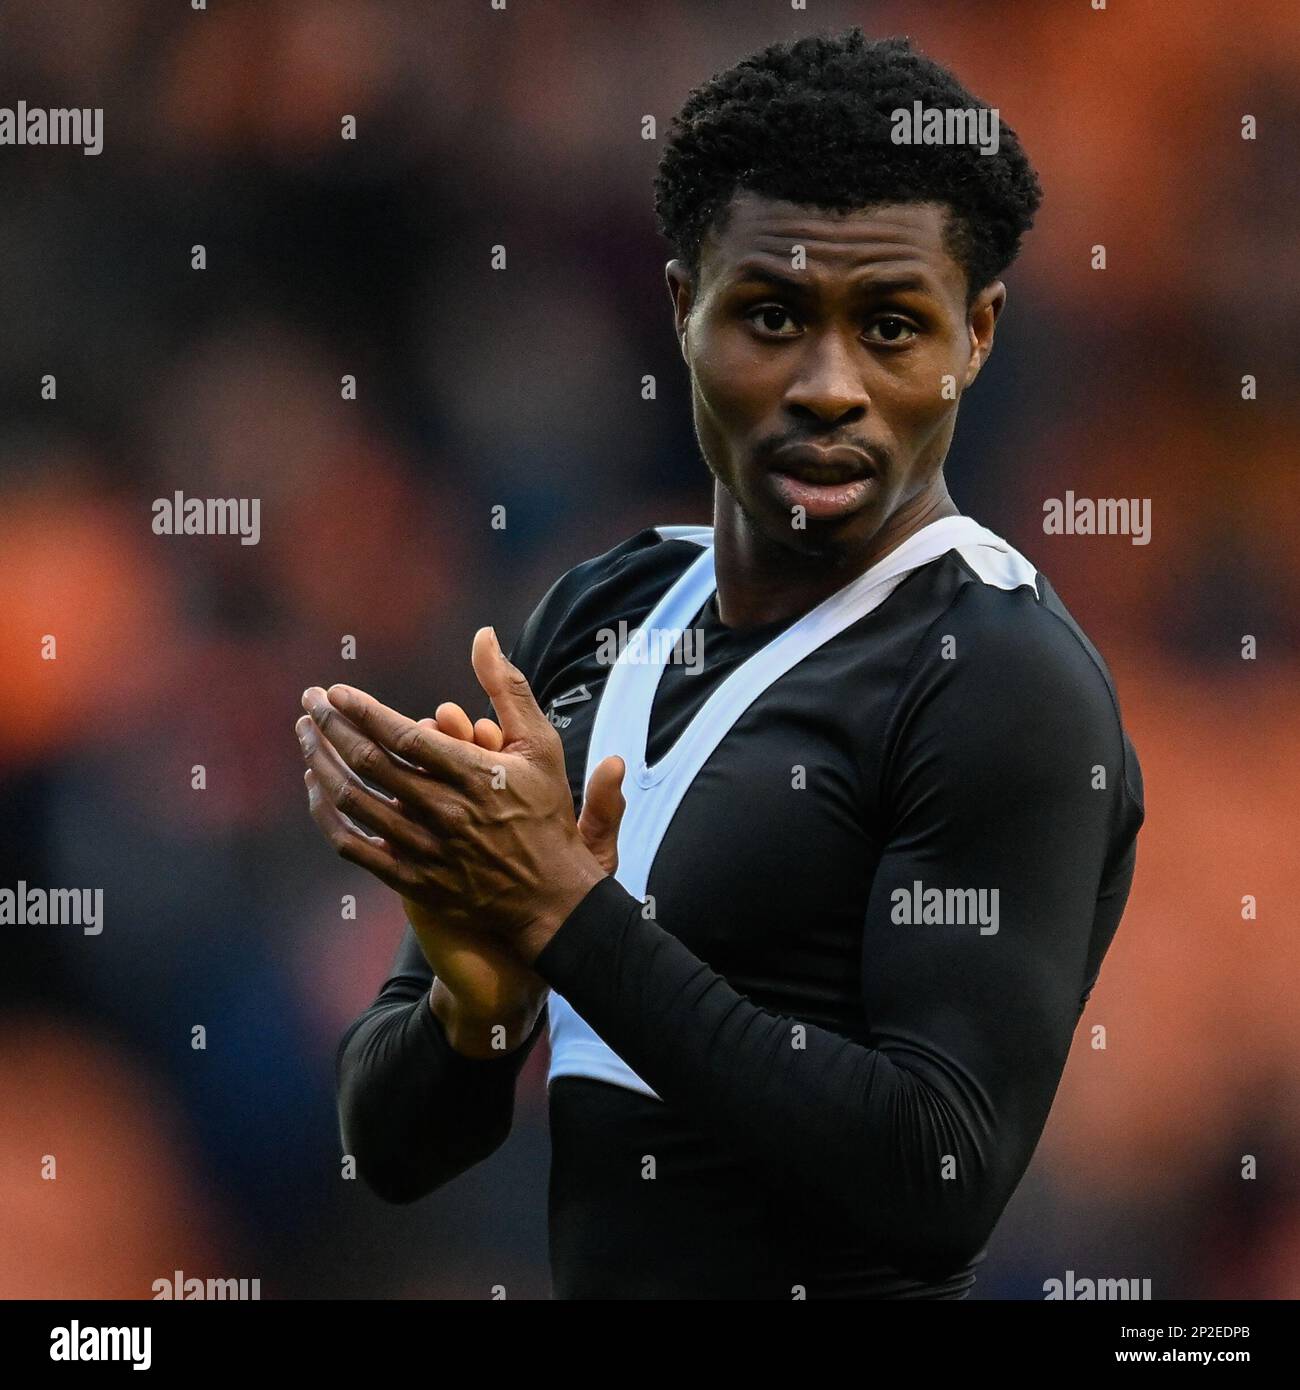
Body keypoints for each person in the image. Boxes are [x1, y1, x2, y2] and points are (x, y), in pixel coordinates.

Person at [296, 28, 1145, 1299]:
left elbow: (941, 1174)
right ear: (680, 307)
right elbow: (392, 1149)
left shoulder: (998, 675)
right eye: (772, 316)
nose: (829, 386)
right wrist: (478, 1010)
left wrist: (565, 920)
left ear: (975, 335)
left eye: (892, 326)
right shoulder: (599, 612)